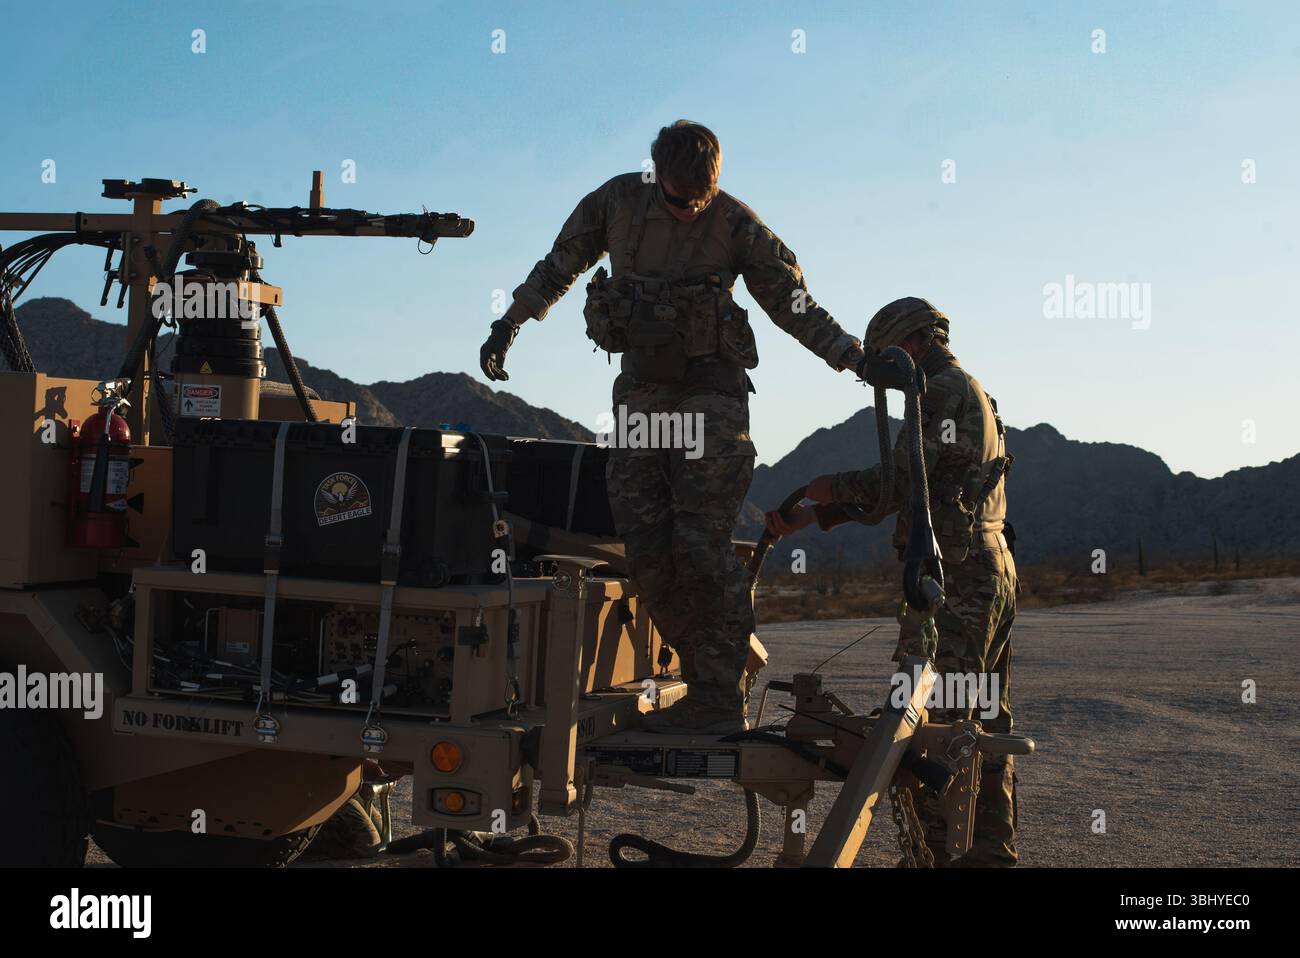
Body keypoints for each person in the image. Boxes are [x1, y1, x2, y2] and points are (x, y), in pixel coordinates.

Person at [481, 120, 863, 733]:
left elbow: (792, 302)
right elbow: (558, 267)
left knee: (703, 547)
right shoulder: (616, 203)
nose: (690, 212)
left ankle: (717, 696)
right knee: (647, 549)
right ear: (656, 175)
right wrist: (511, 323)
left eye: (700, 201)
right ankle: (704, 674)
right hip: (640, 400)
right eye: (679, 199)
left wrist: (853, 356)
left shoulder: (735, 223)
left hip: (711, 399)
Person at [765, 297, 1018, 865]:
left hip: (955, 580)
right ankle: (989, 854)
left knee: (935, 724)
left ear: (911, 343)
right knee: (985, 722)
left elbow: (901, 480)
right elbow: (921, 490)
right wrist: (813, 514)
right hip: (985, 567)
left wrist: (827, 486)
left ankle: (938, 854)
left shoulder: (943, 390)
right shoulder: (968, 390)